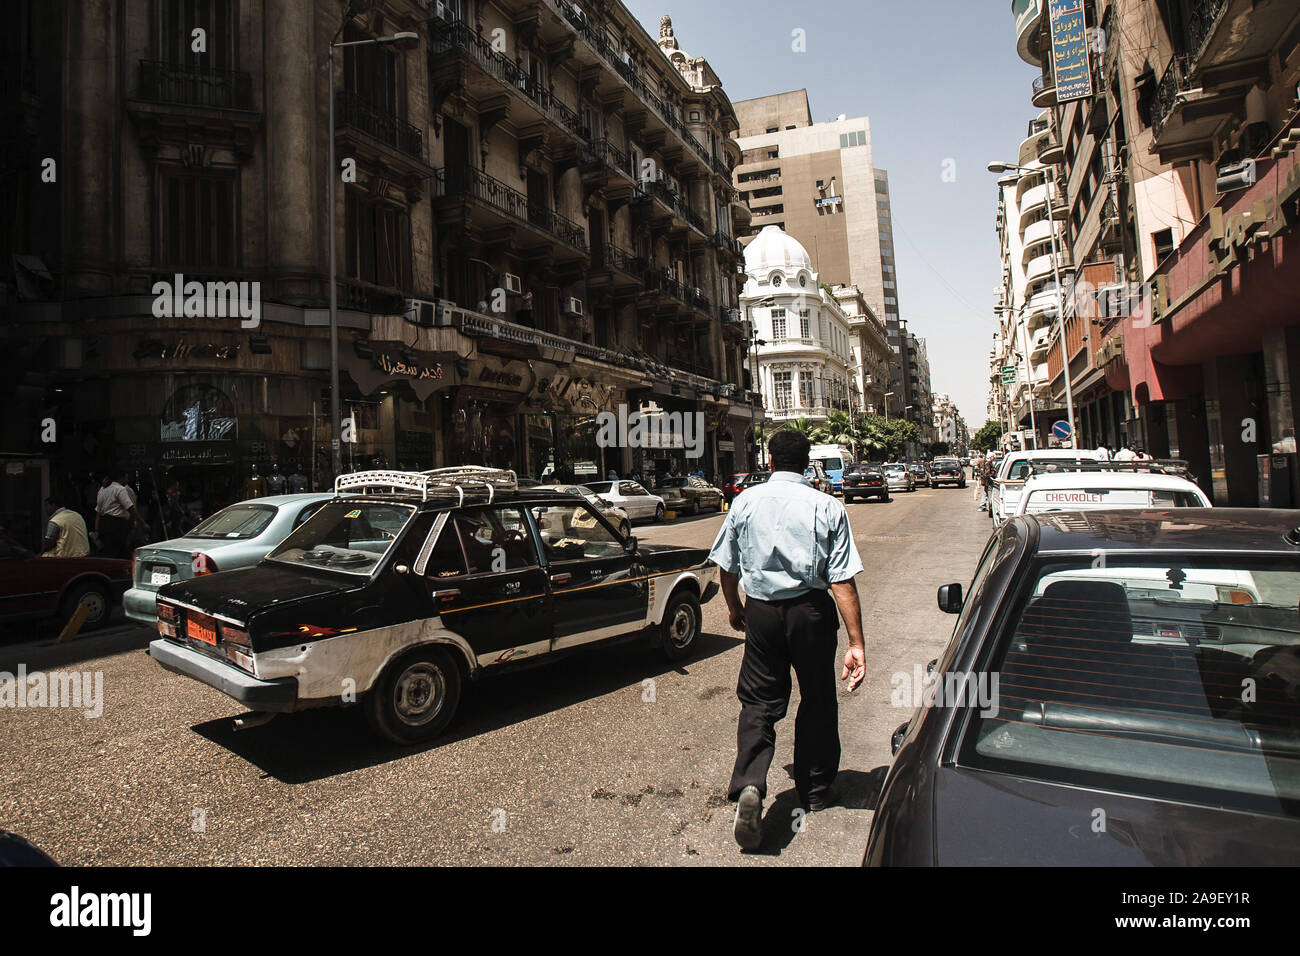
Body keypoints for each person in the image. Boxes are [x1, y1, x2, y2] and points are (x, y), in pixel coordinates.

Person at [708, 430, 866, 851]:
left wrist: (734, 607)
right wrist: (856, 642)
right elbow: (842, 580)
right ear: (806, 461)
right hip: (810, 612)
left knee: (759, 701)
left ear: (772, 459)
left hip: (761, 612)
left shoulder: (745, 501)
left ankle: (749, 785)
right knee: (816, 698)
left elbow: (726, 565)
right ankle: (815, 790)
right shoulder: (827, 505)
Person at [94, 468, 148, 559]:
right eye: (126, 478)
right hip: (116, 524)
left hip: (105, 524)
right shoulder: (120, 489)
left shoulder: (102, 490)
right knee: (115, 552)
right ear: (121, 478)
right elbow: (130, 508)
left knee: (114, 550)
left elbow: (98, 513)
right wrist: (143, 523)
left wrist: (97, 529)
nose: (127, 480)